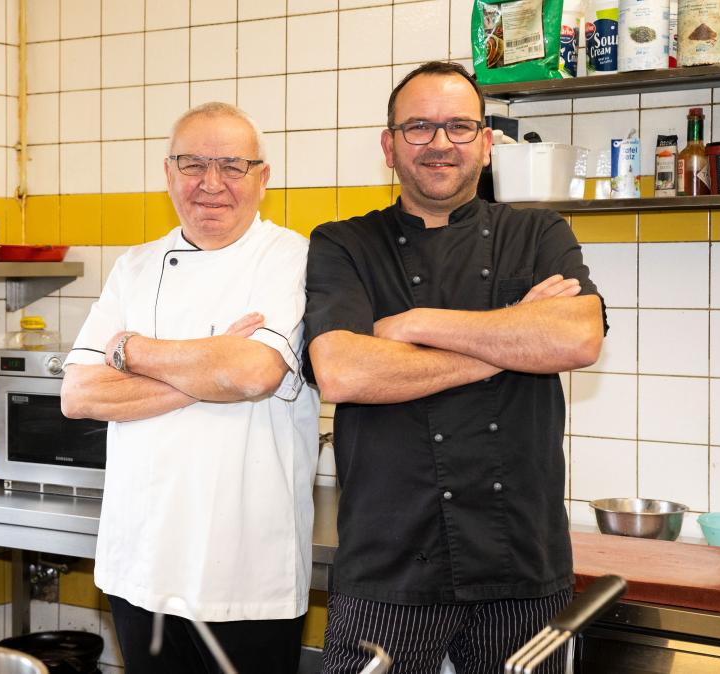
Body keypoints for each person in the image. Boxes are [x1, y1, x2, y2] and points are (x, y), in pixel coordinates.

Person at [304, 61, 606, 674]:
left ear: (486, 143)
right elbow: (344, 372)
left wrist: (413, 325)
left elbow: (577, 337)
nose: (440, 143)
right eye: (418, 127)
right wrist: (512, 339)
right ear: (388, 146)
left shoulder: (540, 231)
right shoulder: (342, 244)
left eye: (460, 127)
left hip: (521, 563)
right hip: (389, 565)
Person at [61, 102, 320, 674]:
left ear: (262, 178)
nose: (211, 184)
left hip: (248, 570)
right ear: (167, 173)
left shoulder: (296, 259)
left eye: (232, 165)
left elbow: (253, 374)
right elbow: (79, 395)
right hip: (141, 561)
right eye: (192, 163)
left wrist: (134, 353)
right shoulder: (134, 267)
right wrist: (212, 372)